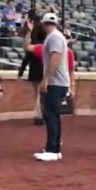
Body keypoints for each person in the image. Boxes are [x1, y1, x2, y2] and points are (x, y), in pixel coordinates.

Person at [35, 12, 70, 162]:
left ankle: (52, 148)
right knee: (53, 115)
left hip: (56, 82)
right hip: (59, 81)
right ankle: (54, 148)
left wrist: (46, 79)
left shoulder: (54, 37)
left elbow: (55, 57)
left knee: (50, 115)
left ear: (43, 24)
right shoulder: (57, 36)